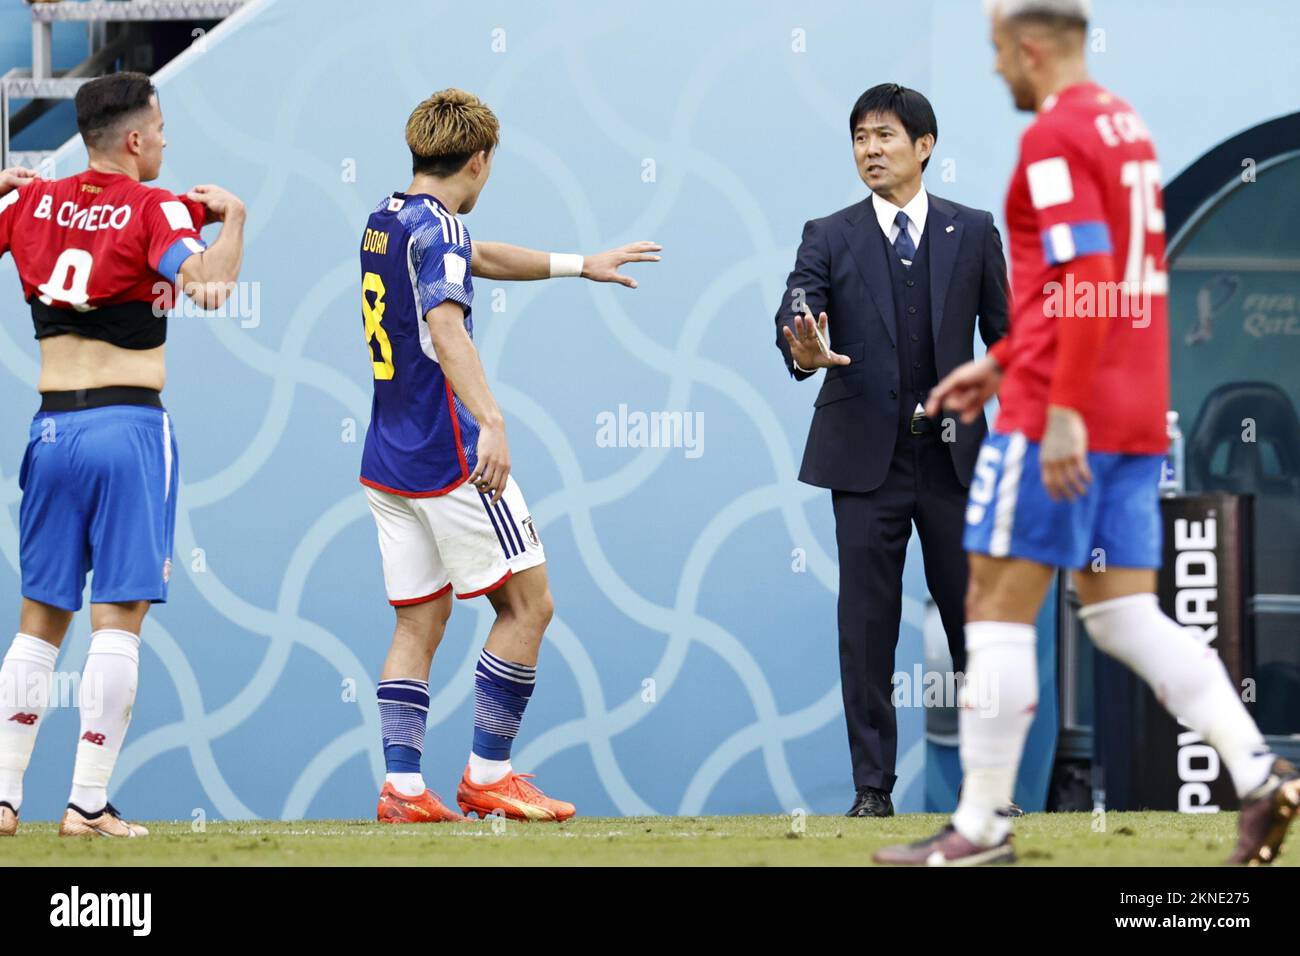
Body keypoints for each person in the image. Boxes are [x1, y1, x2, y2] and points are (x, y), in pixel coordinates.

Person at [874, 0, 1297, 866]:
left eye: (997, 52)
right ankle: (1260, 776)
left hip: (1064, 414)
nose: (994, 69)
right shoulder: (1123, 125)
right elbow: (1102, 283)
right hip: (1134, 411)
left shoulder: (1056, 137)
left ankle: (983, 826)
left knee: (992, 604)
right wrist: (1001, 362)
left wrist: (1057, 406)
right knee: (1122, 613)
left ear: (1030, 47)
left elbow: (1086, 271)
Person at [361, 89, 660, 823]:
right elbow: (448, 325)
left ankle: (402, 789)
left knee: (419, 621)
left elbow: (475, 254)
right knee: (529, 603)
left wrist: (578, 263)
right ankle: (489, 775)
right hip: (449, 454)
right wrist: (491, 421)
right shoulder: (439, 232)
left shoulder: (389, 217)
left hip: (387, 459)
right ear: (482, 159)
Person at [0, 71, 246, 837]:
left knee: (39, 621)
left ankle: (4, 800)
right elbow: (209, 288)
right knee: (117, 619)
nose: (168, 141)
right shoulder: (156, 208)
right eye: (162, 128)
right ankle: (86, 803)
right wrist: (236, 217)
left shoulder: (27, 200)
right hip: (128, 429)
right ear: (134, 139)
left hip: (49, 432)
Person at [776, 84, 1008, 817]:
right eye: (859, 138)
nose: (870, 150)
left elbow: (1008, 339)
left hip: (955, 459)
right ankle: (872, 790)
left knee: (976, 628)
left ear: (924, 146)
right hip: (865, 463)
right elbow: (798, 310)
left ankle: (988, 788)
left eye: (884, 136)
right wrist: (805, 344)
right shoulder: (829, 232)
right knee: (866, 627)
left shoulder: (973, 231)